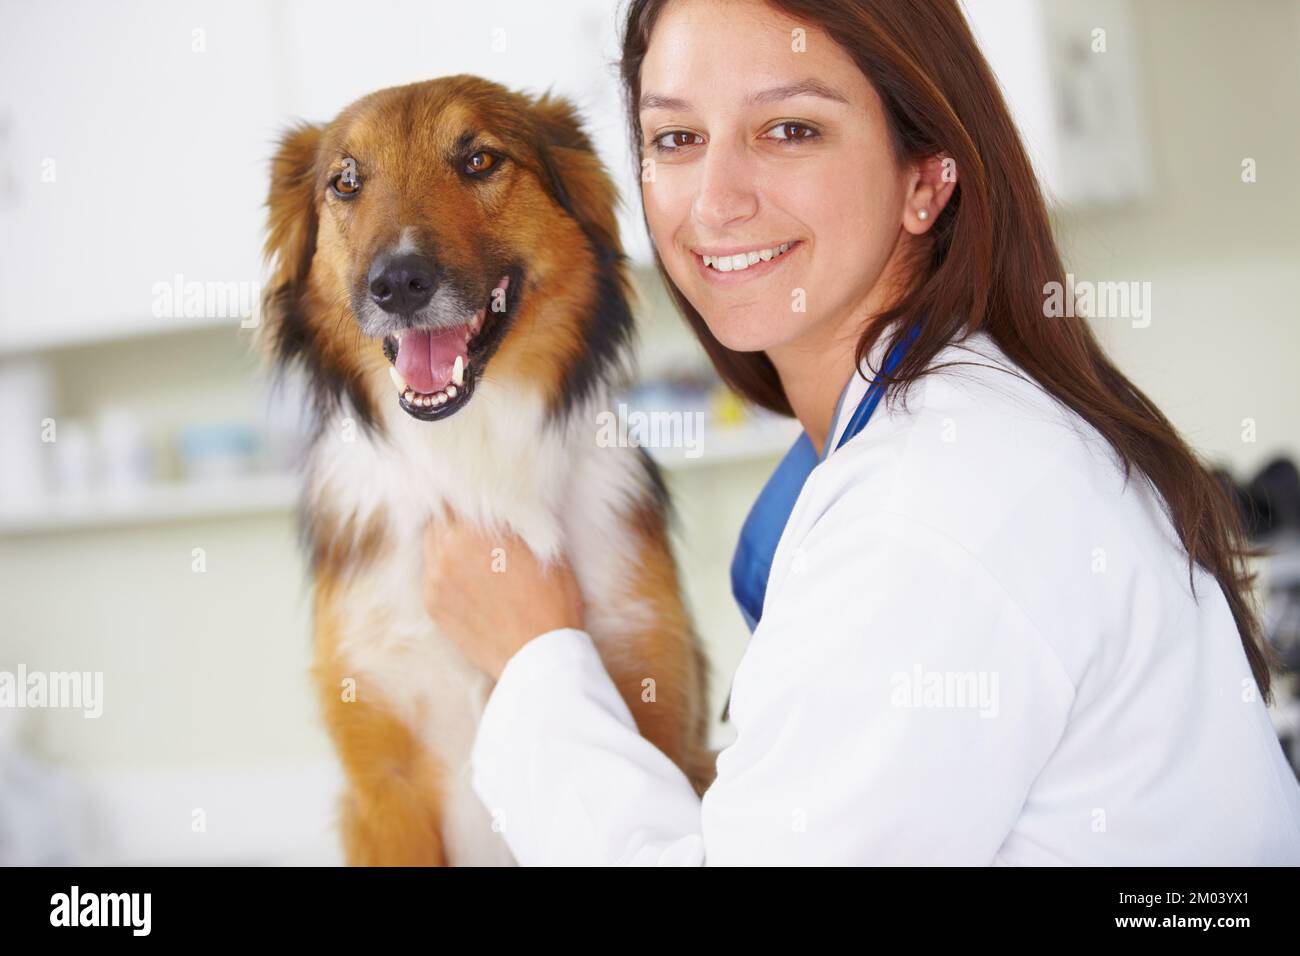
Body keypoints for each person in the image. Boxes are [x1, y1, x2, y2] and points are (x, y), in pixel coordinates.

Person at [421, 0, 1300, 864]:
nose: (714, 203)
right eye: (676, 140)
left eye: (790, 129)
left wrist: (534, 660)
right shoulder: (952, 432)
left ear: (926, 178)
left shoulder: (929, 517)